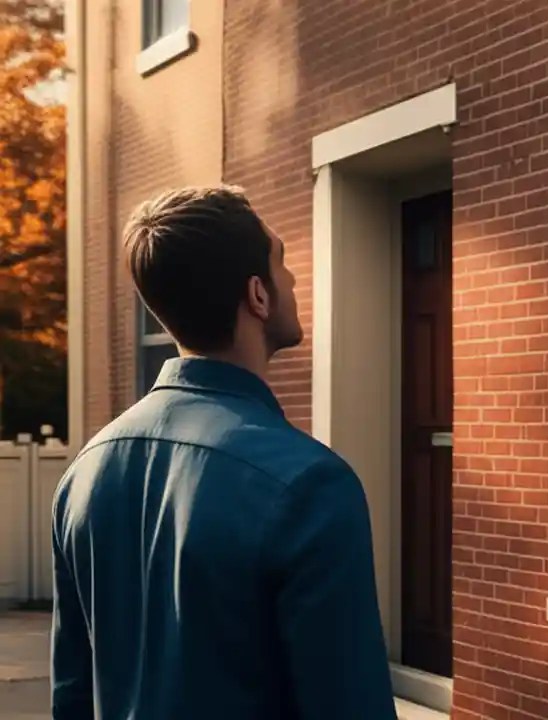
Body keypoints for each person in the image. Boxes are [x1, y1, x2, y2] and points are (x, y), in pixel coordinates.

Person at [49, 186, 397, 719]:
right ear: (258, 296)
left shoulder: (84, 473)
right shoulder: (309, 485)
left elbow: (72, 695)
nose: (295, 277)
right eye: (281, 260)